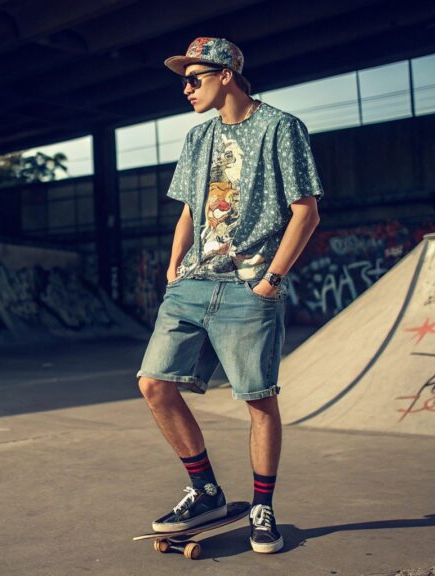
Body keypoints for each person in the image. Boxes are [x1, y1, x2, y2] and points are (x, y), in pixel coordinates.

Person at [137, 37, 322, 554]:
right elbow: (190, 212)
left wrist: (273, 279)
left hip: (250, 284)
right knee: (154, 383)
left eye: (194, 78)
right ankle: (206, 490)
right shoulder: (198, 139)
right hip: (193, 281)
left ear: (226, 74)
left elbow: (305, 212)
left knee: (258, 399)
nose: (186, 88)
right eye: (183, 81)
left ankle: (263, 507)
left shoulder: (281, 128)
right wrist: (174, 267)